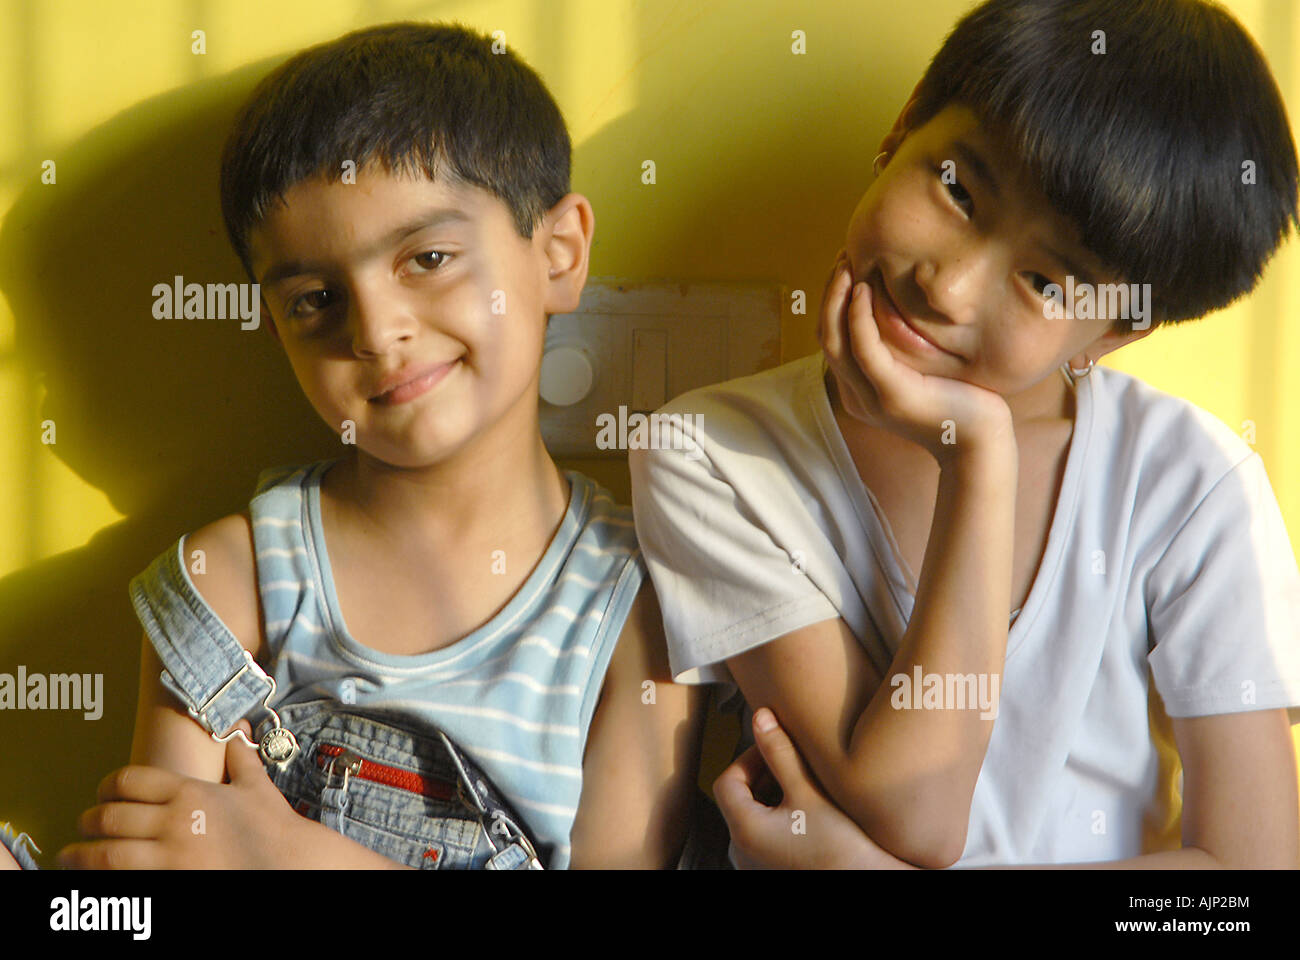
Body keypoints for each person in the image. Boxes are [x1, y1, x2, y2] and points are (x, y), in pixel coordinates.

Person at [1, 21, 706, 871]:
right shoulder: (231, 580)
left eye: (429, 257)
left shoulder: (636, 612)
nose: (376, 331)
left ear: (557, 253)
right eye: (316, 299)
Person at [629, 0, 1300, 868]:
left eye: (1045, 282)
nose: (948, 288)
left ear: (1111, 334)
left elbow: (1240, 889)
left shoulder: (1191, 483)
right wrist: (978, 461)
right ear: (903, 126)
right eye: (956, 189)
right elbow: (920, 811)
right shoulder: (714, 453)